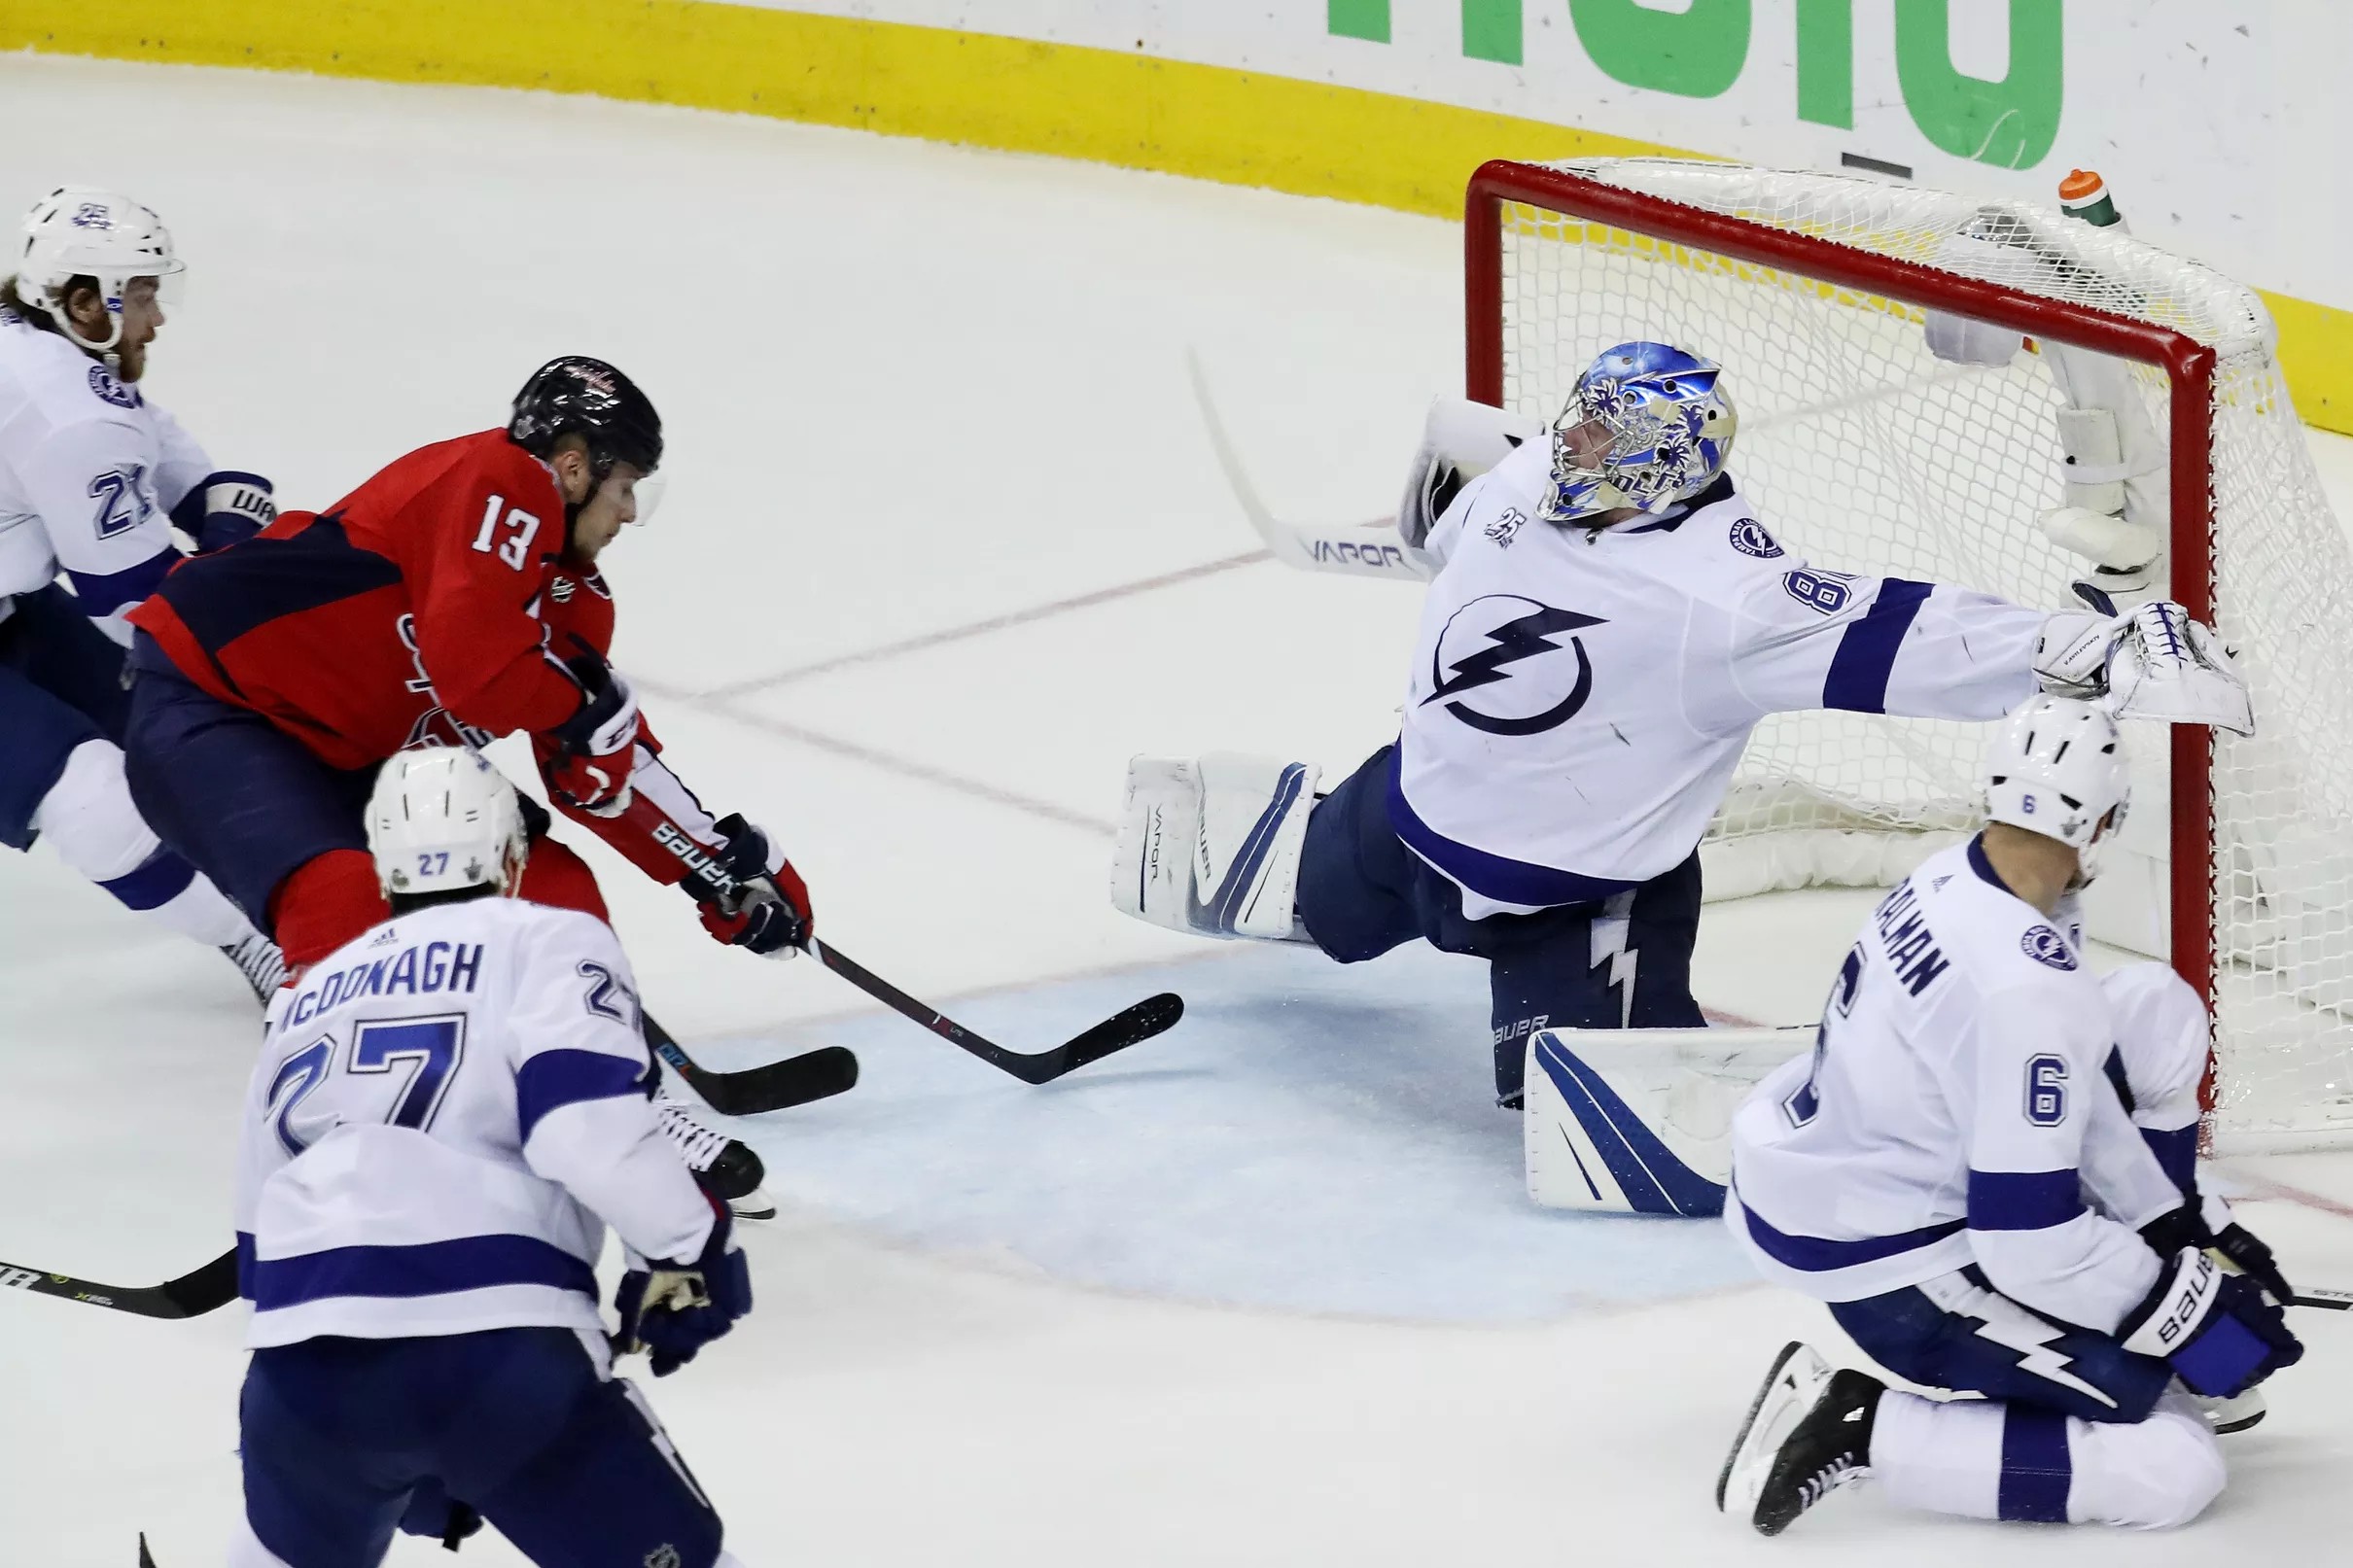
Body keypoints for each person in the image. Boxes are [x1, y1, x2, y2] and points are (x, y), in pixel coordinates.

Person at [1111, 342, 2250, 1106]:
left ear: (1665, 459)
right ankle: (1313, 856)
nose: (1572, 449)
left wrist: (2082, 645)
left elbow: (1900, 632)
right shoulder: (1525, 481)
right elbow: (1448, 515)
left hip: (1573, 900)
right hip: (1399, 814)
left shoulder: (1732, 600)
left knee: (1574, 1115)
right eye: (1576, 425)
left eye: (1603, 441)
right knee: (1309, 906)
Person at [122, 355, 804, 1204]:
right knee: (338, 902)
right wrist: (574, 702)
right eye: (624, 484)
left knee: (548, 883)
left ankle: (617, 1100)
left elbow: (594, 768)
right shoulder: (497, 481)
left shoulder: (575, 597)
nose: (630, 511)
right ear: (572, 463)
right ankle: (326, 1148)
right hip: (217, 702)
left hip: (365, 750)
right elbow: (477, 672)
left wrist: (719, 866)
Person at [1714, 695, 2301, 1535]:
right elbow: (2025, 1239)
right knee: (2173, 1464)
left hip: (1835, 1174)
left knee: (2151, 1007)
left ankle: (2148, 1315)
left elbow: (2073, 1084)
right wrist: (2184, 1316)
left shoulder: (1959, 873)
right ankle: (1861, 1422)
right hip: (1896, 1266)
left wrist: (2179, 1224)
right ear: (2104, 821)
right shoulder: (2026, 989)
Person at [230, 748, 754, 1566]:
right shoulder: (546, 936)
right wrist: (688, 1248)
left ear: (381, 869)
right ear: (512, 855)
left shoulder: (305, 994)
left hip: (302, 1381)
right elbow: (581, 1128)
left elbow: (257, 1249)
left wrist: (396, 1445)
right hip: (497, 1350)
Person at [0, 186, 283, 996]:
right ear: (85, 299)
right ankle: (264, 946)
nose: (156, 319)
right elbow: (135, 608)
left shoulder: (48, 354)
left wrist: (229, 525)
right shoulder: (64, 411)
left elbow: (178, 466)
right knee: (92, 798)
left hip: (14, 611)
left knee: (187, 734)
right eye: (146, 293)